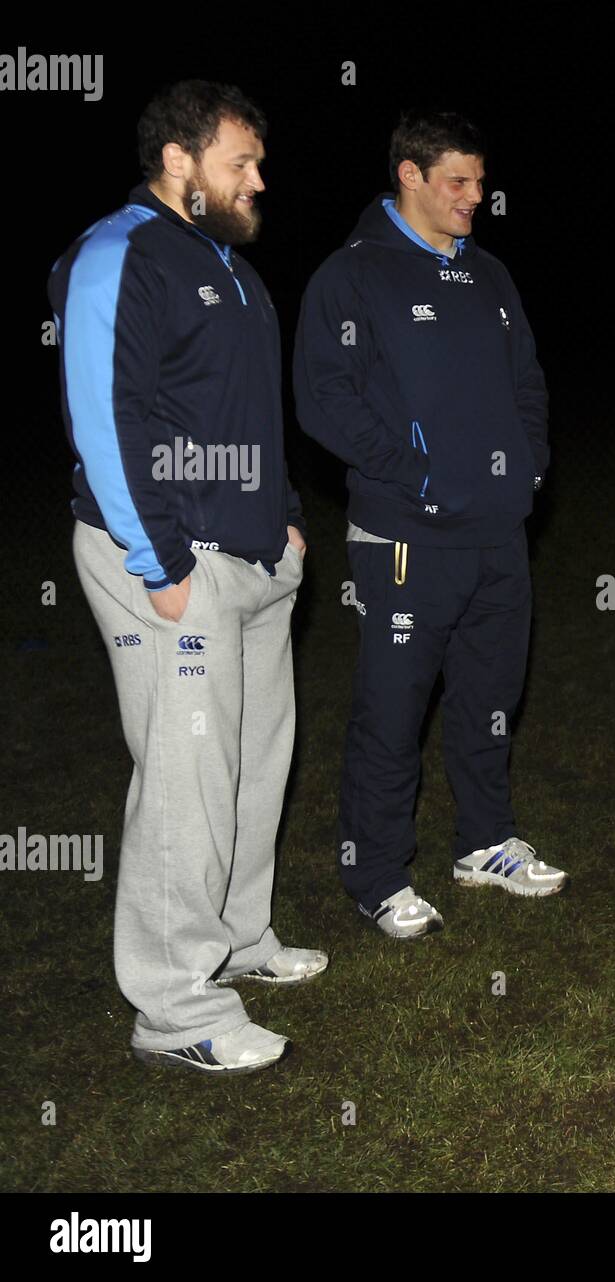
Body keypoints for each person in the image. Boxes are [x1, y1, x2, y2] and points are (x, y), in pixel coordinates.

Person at [50, 80, 318, 1075]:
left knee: (250, 763)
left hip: (251, 559)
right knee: (185, 779)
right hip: (169, 562)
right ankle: (172, 1005)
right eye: (240, 160)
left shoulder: (228, 266)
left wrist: (286, 517)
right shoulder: (119, 251)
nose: (257, 178)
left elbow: (247, 412)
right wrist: (158, 560)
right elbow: (101, 410)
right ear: (178, 162)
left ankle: (238, 938)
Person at [294, 112, 562, 938]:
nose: (476, 197)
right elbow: (323, 402)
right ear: (409, 175)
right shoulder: (351, 275)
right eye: (459, 182)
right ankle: (376, 873)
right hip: (407, 536)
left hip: (497, 533)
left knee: (491, 697)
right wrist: (421, 474)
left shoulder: (488, 275)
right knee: (393, 708)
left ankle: (484, 842)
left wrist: (531, 463)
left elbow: (527, 381)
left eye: (480, 181)